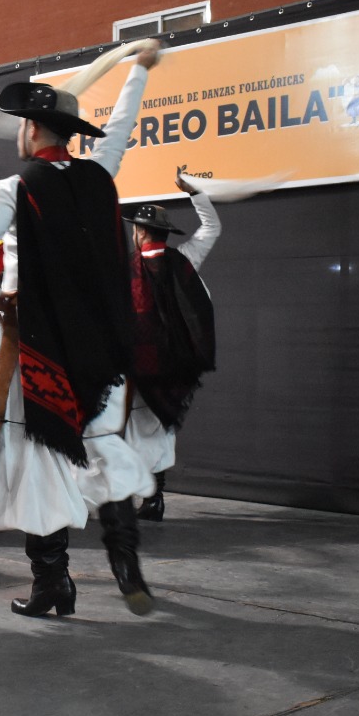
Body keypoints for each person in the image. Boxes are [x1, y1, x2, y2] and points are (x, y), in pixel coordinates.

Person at [0, 43, 159, 617]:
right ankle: (125, 560)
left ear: (33, 131)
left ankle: (53, 581)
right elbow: (120, 129)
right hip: (100, 345)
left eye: (22, 126)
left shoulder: (16, 186)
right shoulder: (100, 174)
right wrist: (140, 70)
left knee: (41, 457)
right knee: (102, 447)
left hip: (42, 345)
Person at [124, 170, 220, 522]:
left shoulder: (125, 269)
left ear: (139, 232)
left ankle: (145, 495)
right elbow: (212, 228)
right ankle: (152, 495)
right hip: (174, 361)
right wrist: (195, 193)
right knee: (160, 426)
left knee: (135, 426)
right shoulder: (184, 260)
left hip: (135, 362)